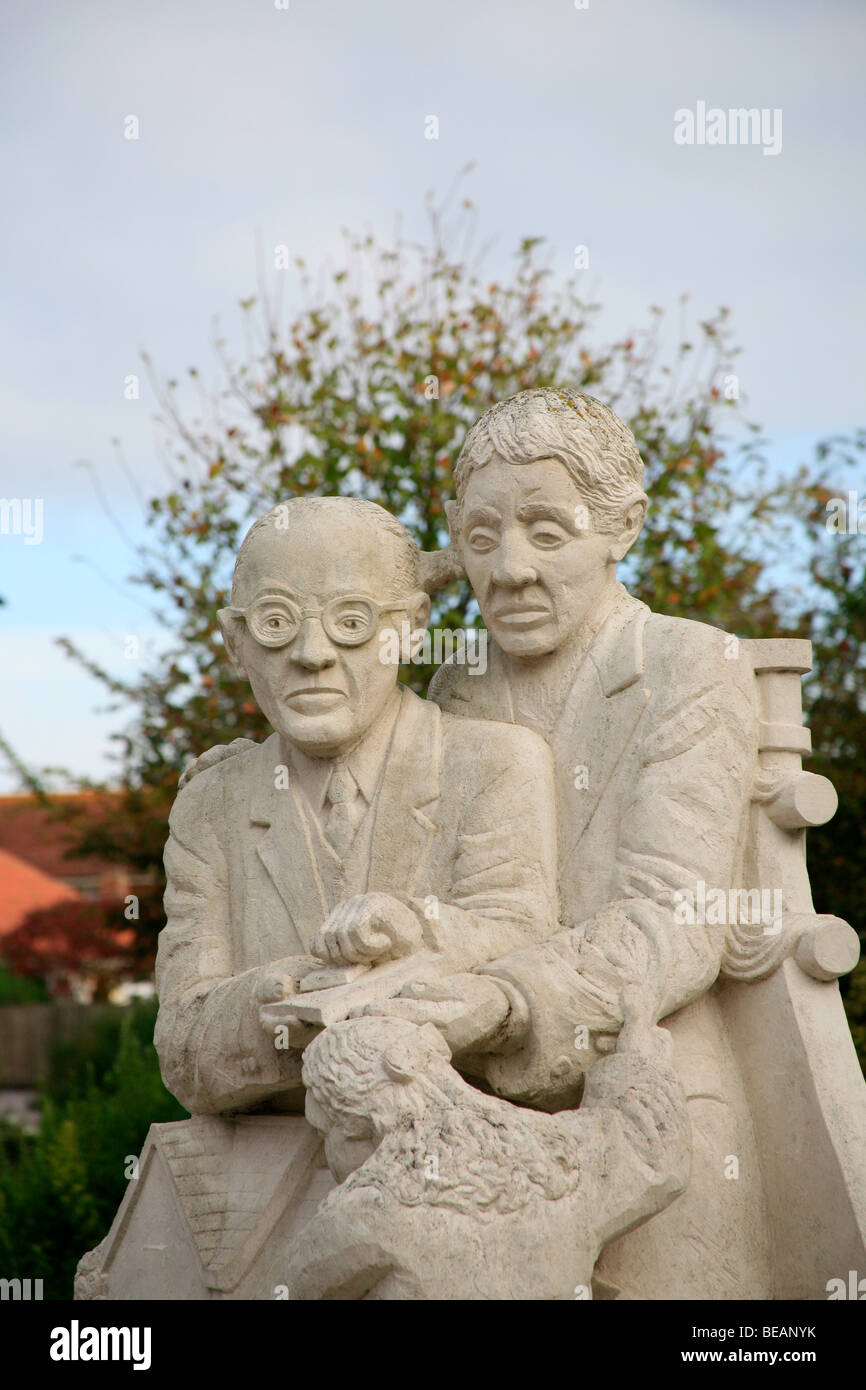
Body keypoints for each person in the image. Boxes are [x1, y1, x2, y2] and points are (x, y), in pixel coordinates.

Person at [375, 388, 774, 1298]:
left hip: (644, 1067)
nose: (508, 569)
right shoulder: (456, 688)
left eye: (546, 532)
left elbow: (678, 915)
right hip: (465, 1077)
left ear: (621, 528)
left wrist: (508, 1001)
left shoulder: (688, 667)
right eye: (480, 538)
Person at [153, 496, 559, 1116]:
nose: (312, 653)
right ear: (237, 642)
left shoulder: (496, 765)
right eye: (276, 622)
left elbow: (523, 938)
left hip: (454, 1163)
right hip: (257, 1178)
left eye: (351, 620)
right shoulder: (212, 803)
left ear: (413, 627)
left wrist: (412, 926)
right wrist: (283, 1000)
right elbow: (183, 1049)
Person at [285, 992, 690, 1301]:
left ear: (360, 1126)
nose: (328, 1154)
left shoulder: (365, 1213)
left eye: (325, 1134)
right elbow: (652, 1153)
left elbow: (289, 1287)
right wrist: (637, 1057)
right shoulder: (564, 1161)